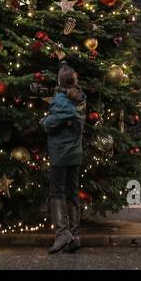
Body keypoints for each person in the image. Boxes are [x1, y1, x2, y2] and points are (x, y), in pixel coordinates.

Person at [40, 65, 86, 254]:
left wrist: (44, 121)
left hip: (60, 153)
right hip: (75, 153)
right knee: (72, 192)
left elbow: (50, 125)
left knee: (57, 192)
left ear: (60, 82)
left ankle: (62, 234)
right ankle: (74, 235)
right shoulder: (81, 99)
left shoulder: (60, 100)